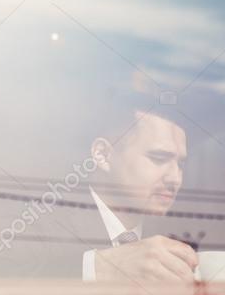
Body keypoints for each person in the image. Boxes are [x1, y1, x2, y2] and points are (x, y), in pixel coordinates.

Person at [65, 98, 197, 282]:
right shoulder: (40, 225)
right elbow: (17, 272)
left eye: (180, 164)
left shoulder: (180, 237)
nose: (175, 178)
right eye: (158, 158)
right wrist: (100, 267)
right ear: (102, 155)